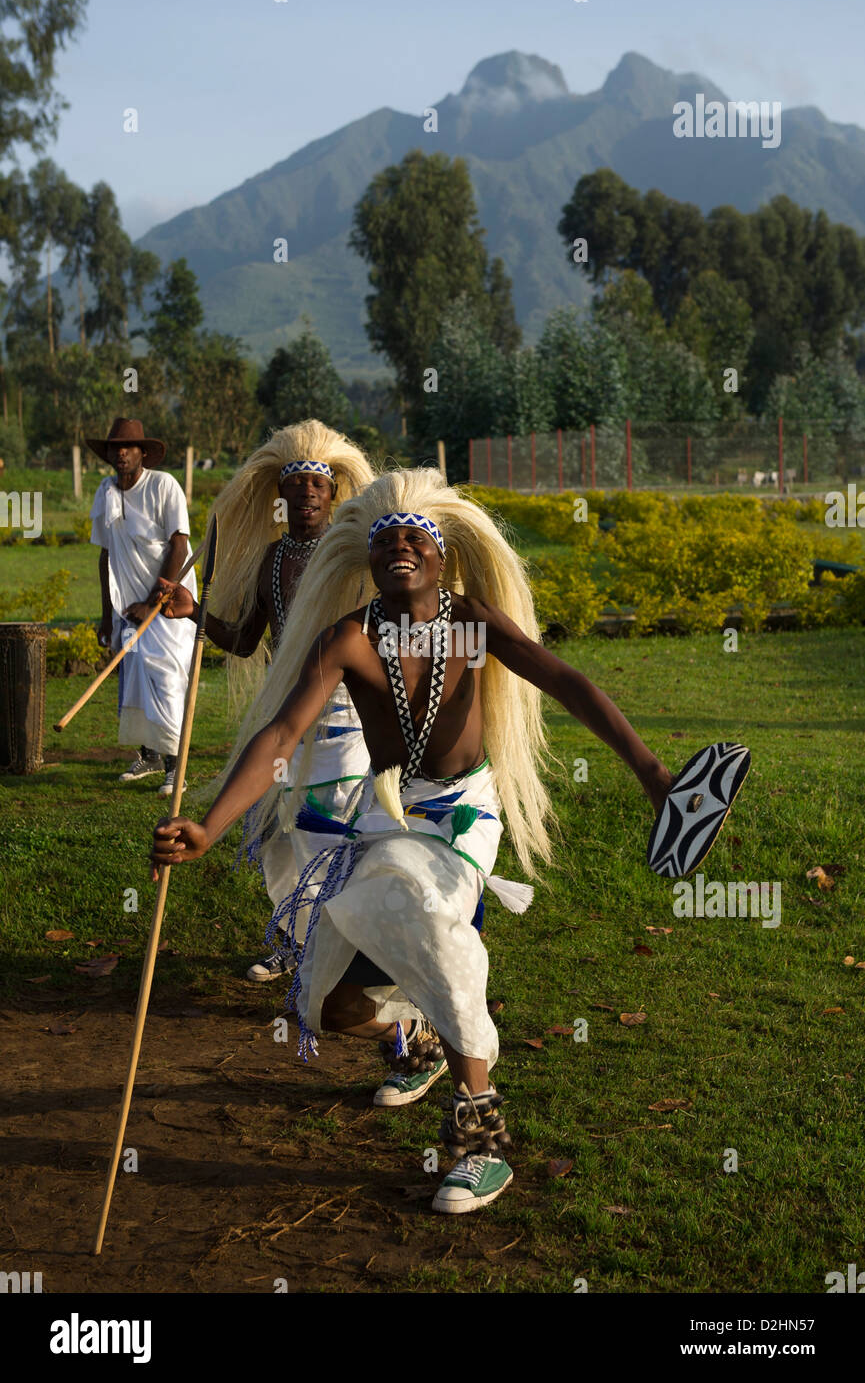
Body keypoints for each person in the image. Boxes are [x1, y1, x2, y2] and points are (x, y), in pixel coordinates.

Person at [151, 469, 673, 1213]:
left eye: (413, 537)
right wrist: (209, 826)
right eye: (384, 540)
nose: (398, 547)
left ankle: (480, 1135)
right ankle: (420, 1027)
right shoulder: (349, 638)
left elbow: (569, 684)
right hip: (388, 812)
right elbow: (281, 735)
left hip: (462, 816)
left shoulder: (473, 623)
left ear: (439, 556)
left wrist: (653, 776)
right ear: (367, 563)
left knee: (422, 910)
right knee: (326, 1007)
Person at [159, 421, 377, 985]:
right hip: (286, 716)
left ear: (333, 494)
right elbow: (247, 641)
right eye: (296, 484)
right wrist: (193, 612)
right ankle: (293, 936)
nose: (306, 494)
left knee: (328, 830)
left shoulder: (354, 557)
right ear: (280, 495)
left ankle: (341, 951)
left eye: (317, 485)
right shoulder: (271, 560)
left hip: (343, 718)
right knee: (278, 838)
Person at [88, 417, 196, 798]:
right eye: (115, 447)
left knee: (166, 680)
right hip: (127, 607)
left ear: (143, 453)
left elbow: (179, 546)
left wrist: (152, 603)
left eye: (128, 447)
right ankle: (149, 757)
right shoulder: (105, 491)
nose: (120, 453)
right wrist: (107, 615)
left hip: (168, 604)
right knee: (133, 680)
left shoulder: (163, 486)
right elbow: (105, 555)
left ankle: (175, 769)